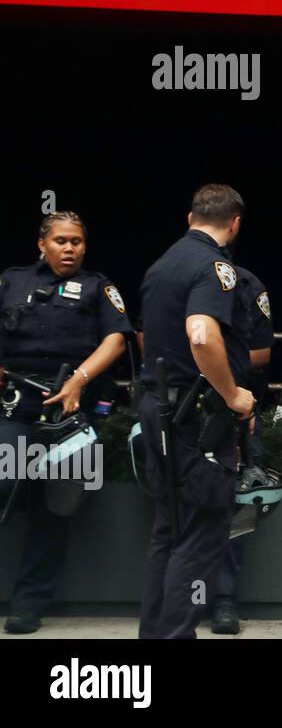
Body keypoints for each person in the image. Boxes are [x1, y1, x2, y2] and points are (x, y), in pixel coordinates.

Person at [1, 212, 130, 635]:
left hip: (71, 410)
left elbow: (115, 339)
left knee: (55, 505)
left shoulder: (100, 286)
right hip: (15, 406)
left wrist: (80, 379)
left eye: (76, 241)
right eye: (60, 240)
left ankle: (28, 605)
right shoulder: (12, 280)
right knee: (4, 483)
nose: (69, 248)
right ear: (42, 244)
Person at [137, 184, 255, 640]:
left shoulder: (162, 263)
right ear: (235, 223)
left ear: (190, 218)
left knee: (168, 531)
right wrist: (233, 395)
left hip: (158, 406)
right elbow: (202, 335)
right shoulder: (216, 267)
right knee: (202, 529)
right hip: (195, 416)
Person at [209, 264, 275, 635]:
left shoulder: (248, 283)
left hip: (238, 404)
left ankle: (225, 600)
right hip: (183, 404)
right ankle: (178, 598)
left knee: (237, 505)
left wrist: (215, 367)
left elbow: (262, 353)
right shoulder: (175, 274)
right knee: (181, 504)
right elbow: (144, 339)